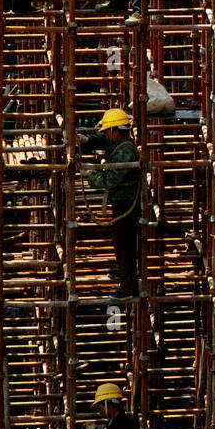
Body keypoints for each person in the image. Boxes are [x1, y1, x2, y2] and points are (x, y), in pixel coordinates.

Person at [78, 108, 140, 298]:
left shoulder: (125, 151)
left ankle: (128, 287)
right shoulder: (120, 141)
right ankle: (123, 272)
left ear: (115, 130)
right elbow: (102, 140)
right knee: (120, 242)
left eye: (107, 131)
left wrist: (91, 175)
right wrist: (87, 141)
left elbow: (110, 180)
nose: (105, 134)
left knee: (125, 244)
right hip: (122, 201)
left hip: (126, 203)